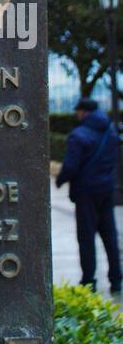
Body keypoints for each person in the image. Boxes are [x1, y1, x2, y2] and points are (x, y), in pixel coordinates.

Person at [56, 97, 121, 293]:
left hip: (86, 193)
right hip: (106, 190)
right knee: (110, 236)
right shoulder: (111, 132)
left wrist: (60, 180)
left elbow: (71, 166)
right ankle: (116, 279)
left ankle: (88, 281)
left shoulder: (79, 135)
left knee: (86, 238)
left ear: (83, 112)